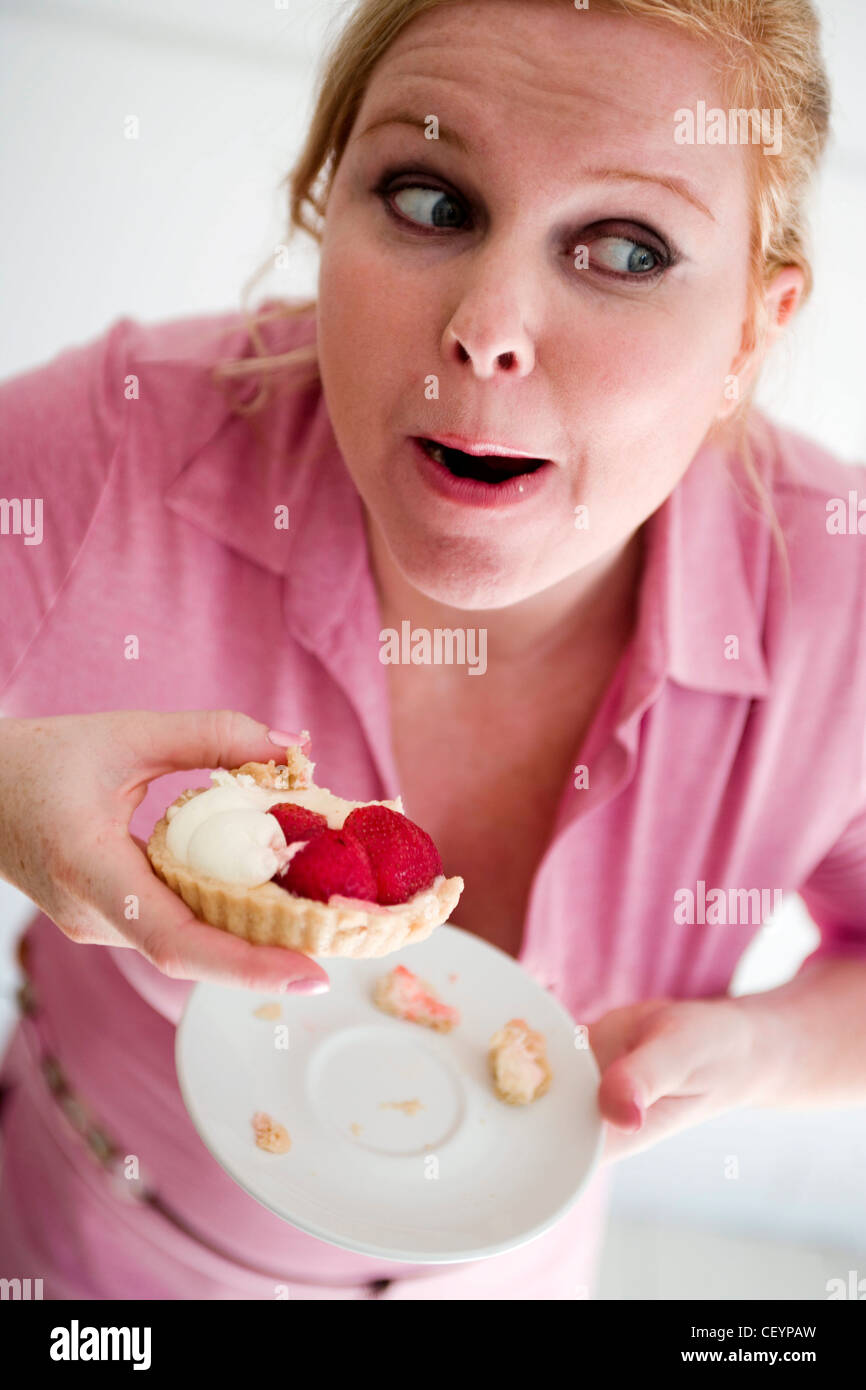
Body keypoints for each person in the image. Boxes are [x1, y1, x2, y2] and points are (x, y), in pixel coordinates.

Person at [0, 0, 864, 1301]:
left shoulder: (838, 598)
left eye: (625, 248)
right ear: (320, 201)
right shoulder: (111, 447)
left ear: (750, 324)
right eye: (430, 198)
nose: (488, 324)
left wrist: (756, 1052)